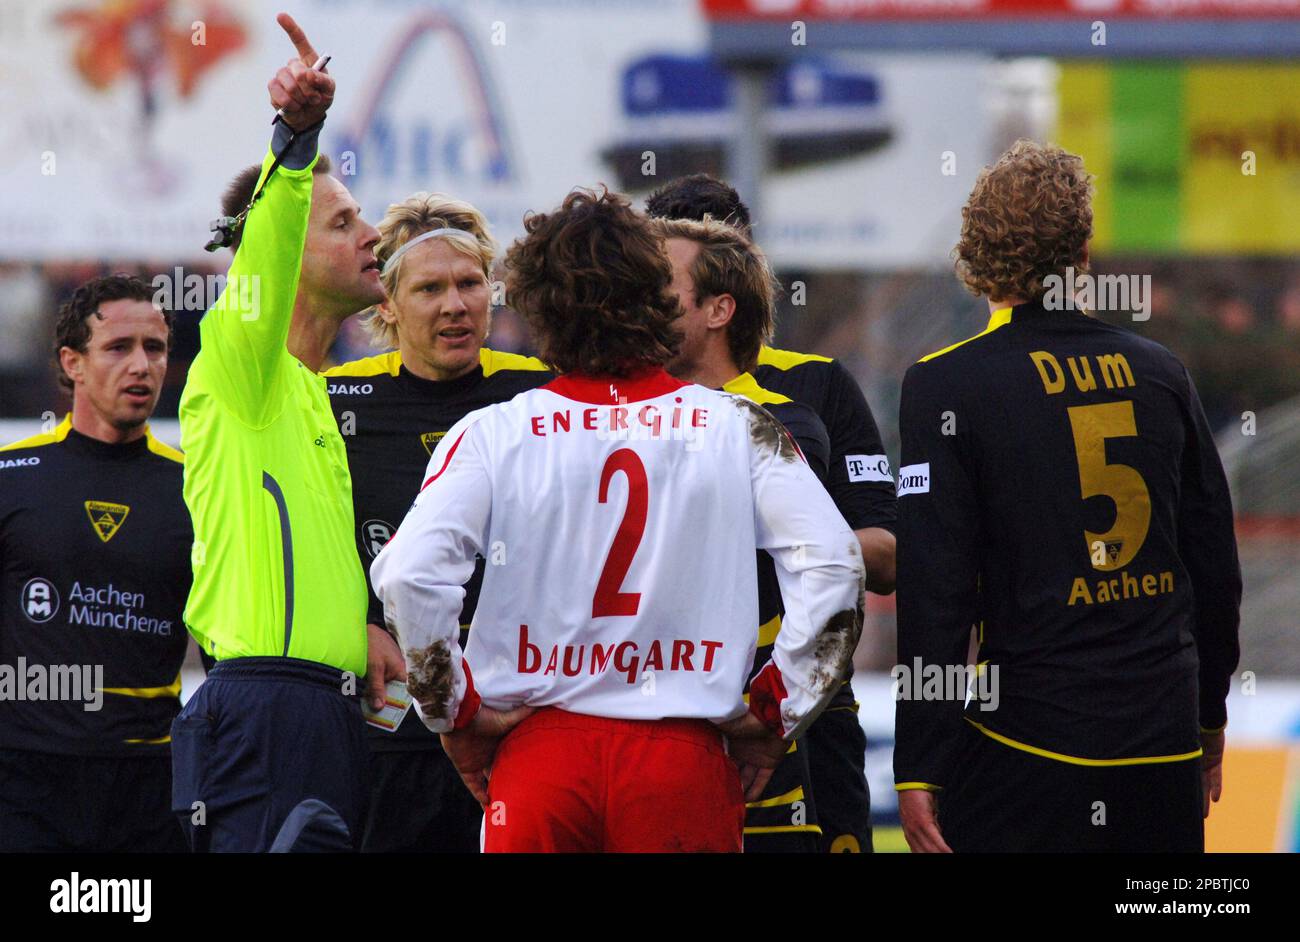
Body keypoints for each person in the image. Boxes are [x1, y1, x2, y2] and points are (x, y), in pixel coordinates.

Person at [371, 187, 865, 853]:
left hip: (538, 759)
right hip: (682, 759)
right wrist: (777, 713)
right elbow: (835, 566)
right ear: (658, 298)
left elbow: (406, 574)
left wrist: (454, 713)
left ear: (539, 306)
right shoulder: (740, 426)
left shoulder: (492, 431)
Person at [893, 140, 1242, 853]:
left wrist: (919, 763)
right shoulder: (1159, 371)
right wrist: (1207, 720)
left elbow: (938, 592)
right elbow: (1214, 568)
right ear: (1081, 253)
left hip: (1026, 749)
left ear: (975, 254)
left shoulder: (945, 383)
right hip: (1161, 747)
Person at [172, 13, 404, 853]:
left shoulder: (312, 394)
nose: (373, 234)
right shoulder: (237, 368)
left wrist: (362, 628)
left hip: (329, 713)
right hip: (266, 710)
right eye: (343, 223)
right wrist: (295, 141)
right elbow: (261, 261)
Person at [646, 174, 894, 853]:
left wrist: (787, 537)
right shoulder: (611, 399)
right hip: (662, 708)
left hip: (806, 705)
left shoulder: (810, 391)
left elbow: (883, 552)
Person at [323, 193, 550, 853]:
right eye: (429, 288)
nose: (455, 304)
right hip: (392, 720)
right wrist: (353, 621)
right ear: (387, 305)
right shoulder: (337, 401)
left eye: (470, 283)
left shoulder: (540, 395)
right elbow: (301, 542)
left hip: (524, 714)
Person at [652, 215, 831, 851]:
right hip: (640, 737)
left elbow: (833, 575)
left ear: (719, 309)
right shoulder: (617, 414)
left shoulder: (785, 424)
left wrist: (772, 713)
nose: (645, 298)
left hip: (747, 733)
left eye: (663, 286)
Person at [0, 274, 191, 852]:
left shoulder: (196, 487)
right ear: (72, 362)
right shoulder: (11, 476)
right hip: (24, 781)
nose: (141, 366)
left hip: (149, 787)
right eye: (118, 348)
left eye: (154, 349)